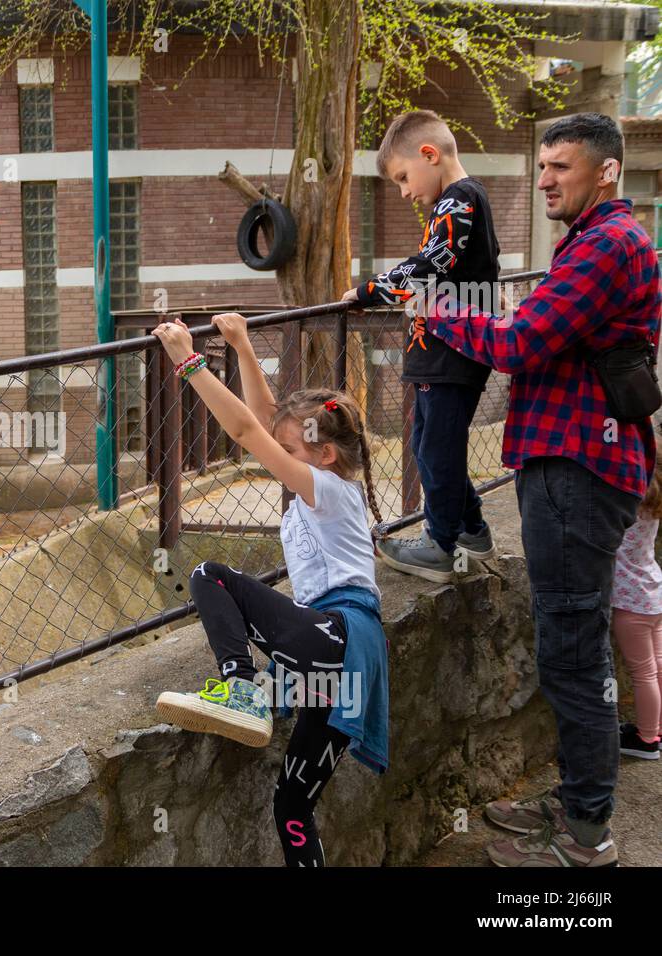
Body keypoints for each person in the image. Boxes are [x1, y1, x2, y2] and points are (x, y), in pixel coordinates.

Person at [427, 113, 659, 867]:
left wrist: (438, 309)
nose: (547, 178)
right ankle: (574, 801)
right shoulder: (594, 244)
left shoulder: (606, 245)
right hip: (576, 466)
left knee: (573, 652)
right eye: (545, 165)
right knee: (571, 645)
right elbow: (540, 328)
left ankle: (587, 837)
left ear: (607, 171)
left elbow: (520, 343)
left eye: (562, 165)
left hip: (577, 468)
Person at [151, 311, 388, 867]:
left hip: (336, 636)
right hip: (347, 665)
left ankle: (243, 689)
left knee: (210, 575)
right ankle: (255, 694)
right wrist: (243, 347)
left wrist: (190, 363)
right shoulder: (329, 483)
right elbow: (263, 420)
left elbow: (246, 431)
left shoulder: (325, 489)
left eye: (291, 449)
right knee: (292, 803)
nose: (279, 456)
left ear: (325, 453)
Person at [342, 109, 500, 582]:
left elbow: (429, 267)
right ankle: (470, 530)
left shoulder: (461, 200)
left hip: (451, 355)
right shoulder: (455, 203)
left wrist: (368, 292)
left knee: (436, 450)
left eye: (404, 178)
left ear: (429, 155)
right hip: (441, 355)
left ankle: (441, 544)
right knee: (432, 445)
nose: (406, 192)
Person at [610, 459, 662, 760]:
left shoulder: (626, 506)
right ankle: (655, 729)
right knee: (656, 667)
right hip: (652, 591)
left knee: (643, 673)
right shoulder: (652, 505)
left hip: (631, 602)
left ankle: (645, 739)